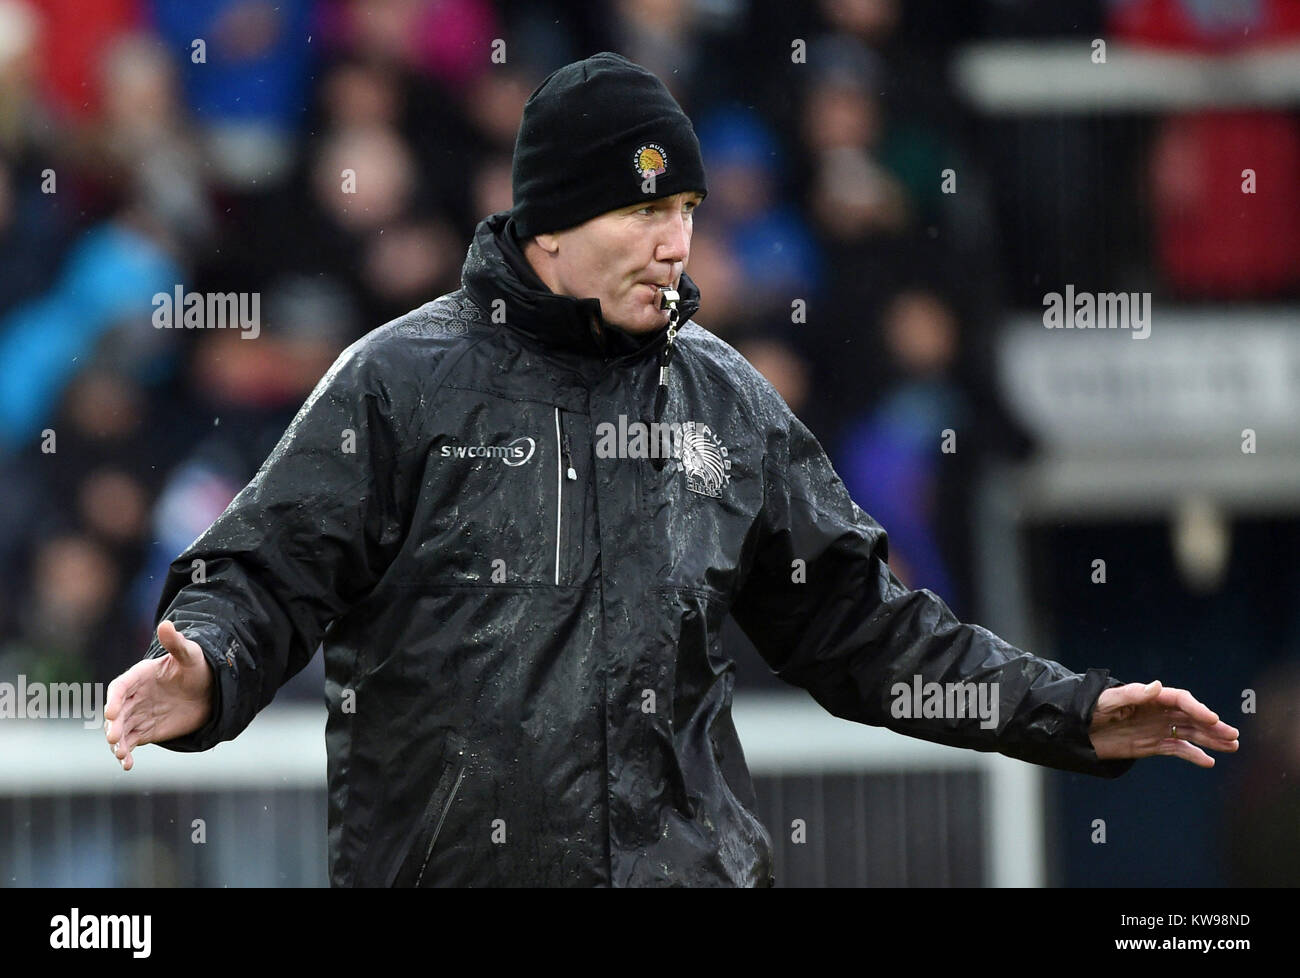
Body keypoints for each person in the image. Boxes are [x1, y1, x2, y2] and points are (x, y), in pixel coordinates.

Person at [103, 52, 1239, 888]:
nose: (676, 241)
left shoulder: (724, 398)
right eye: (645, 207)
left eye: (685, 208)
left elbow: (869, 633)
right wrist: (206, 668)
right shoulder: (395, 384)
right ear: (548, 228)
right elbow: (262, 574)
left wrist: (1067, 713)